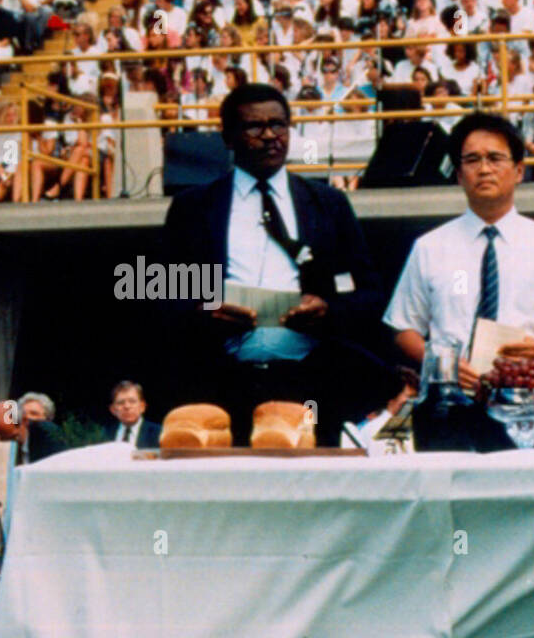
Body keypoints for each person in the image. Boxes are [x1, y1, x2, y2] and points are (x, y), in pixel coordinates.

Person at [162, 82, 393, 444]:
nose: (270, 136)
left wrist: (328, 310)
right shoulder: (194, 209)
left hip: (311, 382)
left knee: (314, 490)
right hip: (222, 384)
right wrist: (204, 310)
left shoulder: (328, 204)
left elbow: (370, 293)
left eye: (280, 125)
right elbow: (163, 298)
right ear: (228, 137)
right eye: (255, 127)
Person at [385, 112, 534, 390]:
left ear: (519, 171)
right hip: (451, 397)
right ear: (459, 175)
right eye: (472, 160)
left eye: (495, 159)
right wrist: (438, 363)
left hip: (528, 397)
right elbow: (403, 327)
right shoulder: (429, 247)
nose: (484, 169)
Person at [101, 381, 162, 448]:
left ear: (142, 406)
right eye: (121, 403)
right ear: (113, 410)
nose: (127, 406)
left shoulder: (159, 433)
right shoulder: (105, 434)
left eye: (132, 401)